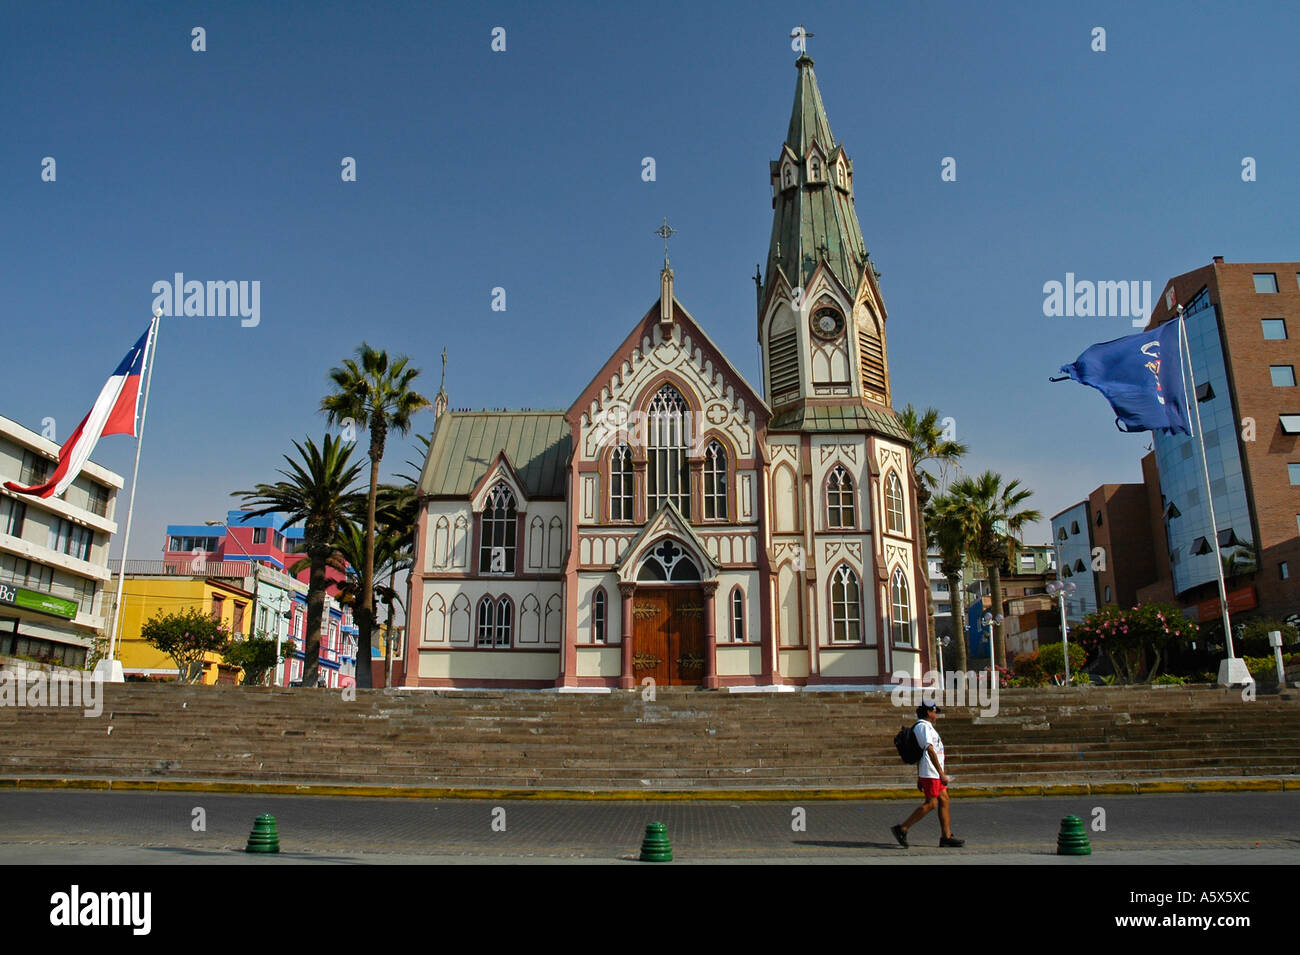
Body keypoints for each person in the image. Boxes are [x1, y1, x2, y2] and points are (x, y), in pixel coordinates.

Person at [891, 700, 964, 848]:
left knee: (944, 799)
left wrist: (921, 776)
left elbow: (919, 753)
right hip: (931, 773)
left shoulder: (926, 727)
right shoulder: (923, 727)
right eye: (936, 711)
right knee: (932, 803)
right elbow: (929, 750)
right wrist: (941, 773)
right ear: (929, 712)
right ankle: (902, 828)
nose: (937, 714)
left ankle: (946, 836)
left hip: (932, 772)